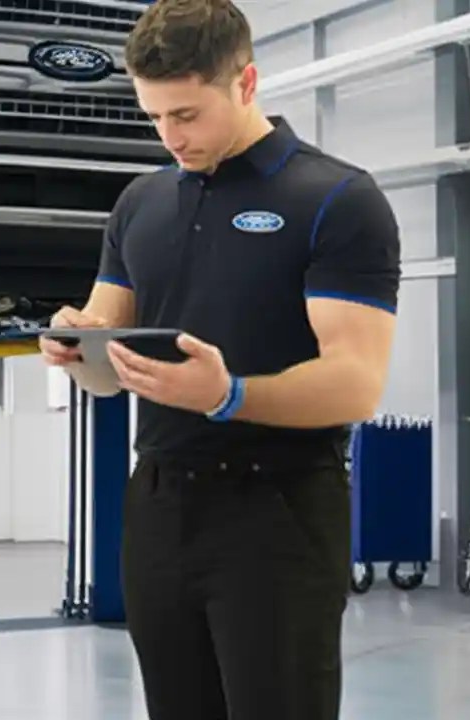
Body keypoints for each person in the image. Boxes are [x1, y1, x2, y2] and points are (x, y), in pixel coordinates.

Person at [39, 1, 401, 718]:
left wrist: (227, 394)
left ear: (246, 83)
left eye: (186, 114)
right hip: (160, 505)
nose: (170, 136)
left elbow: (356, 384)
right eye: (154, 117)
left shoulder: (335, 199)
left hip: (278, 509)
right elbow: (107, 349)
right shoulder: (140, 204)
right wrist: (74, 344)